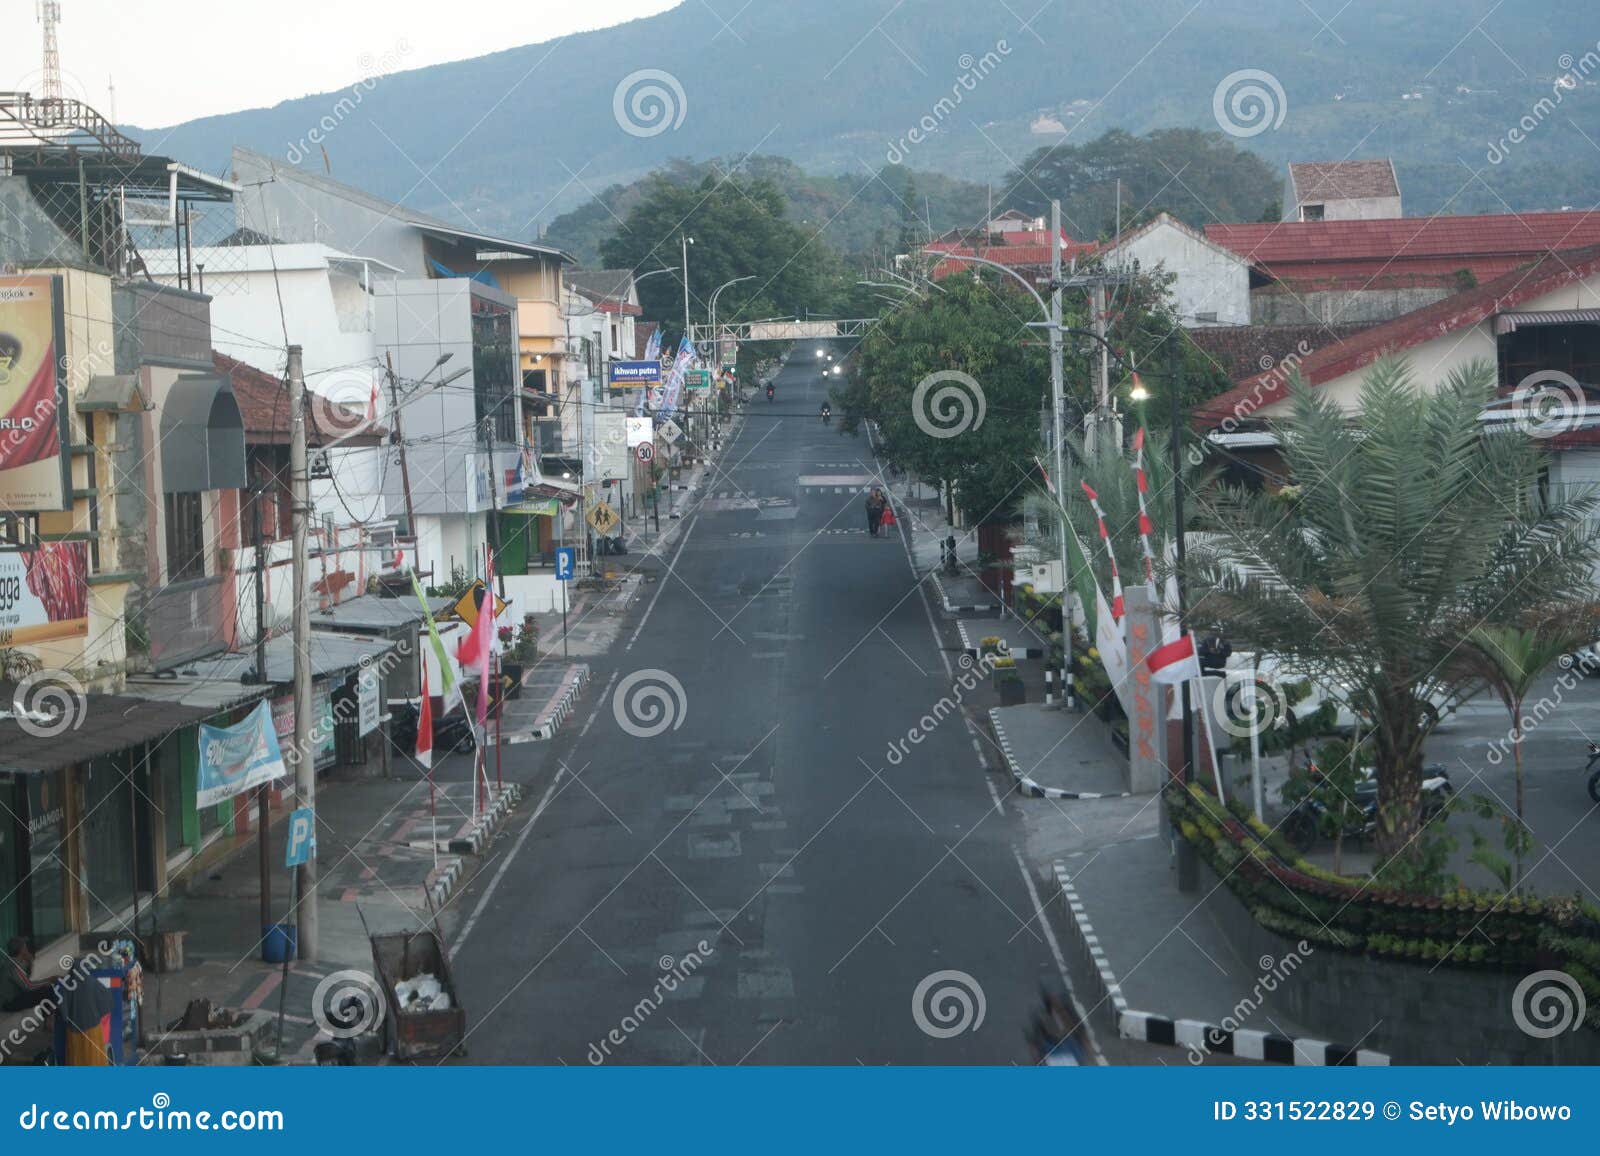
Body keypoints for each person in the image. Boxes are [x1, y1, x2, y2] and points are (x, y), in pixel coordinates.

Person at [54, 956, 114, 1066]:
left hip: (74, 1031)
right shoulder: (92, 982)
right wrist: (97, 1014)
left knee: (77, 1058)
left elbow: (63, 1011)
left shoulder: (66, 986)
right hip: (93, 1029)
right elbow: (107, 1000)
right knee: (94, 1058)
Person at [2, 936, 55, 1013]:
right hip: (9, 1003)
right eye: (24, 946)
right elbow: (28, 986)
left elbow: (26, 979)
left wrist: (30, 962)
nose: (26, 948)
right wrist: (49, 980)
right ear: (21, 950)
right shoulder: (14, 965)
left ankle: (50, 1019)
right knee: (46, 990)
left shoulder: (14, 961)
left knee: (46, 989)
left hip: (15, 998)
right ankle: (49, 1021)